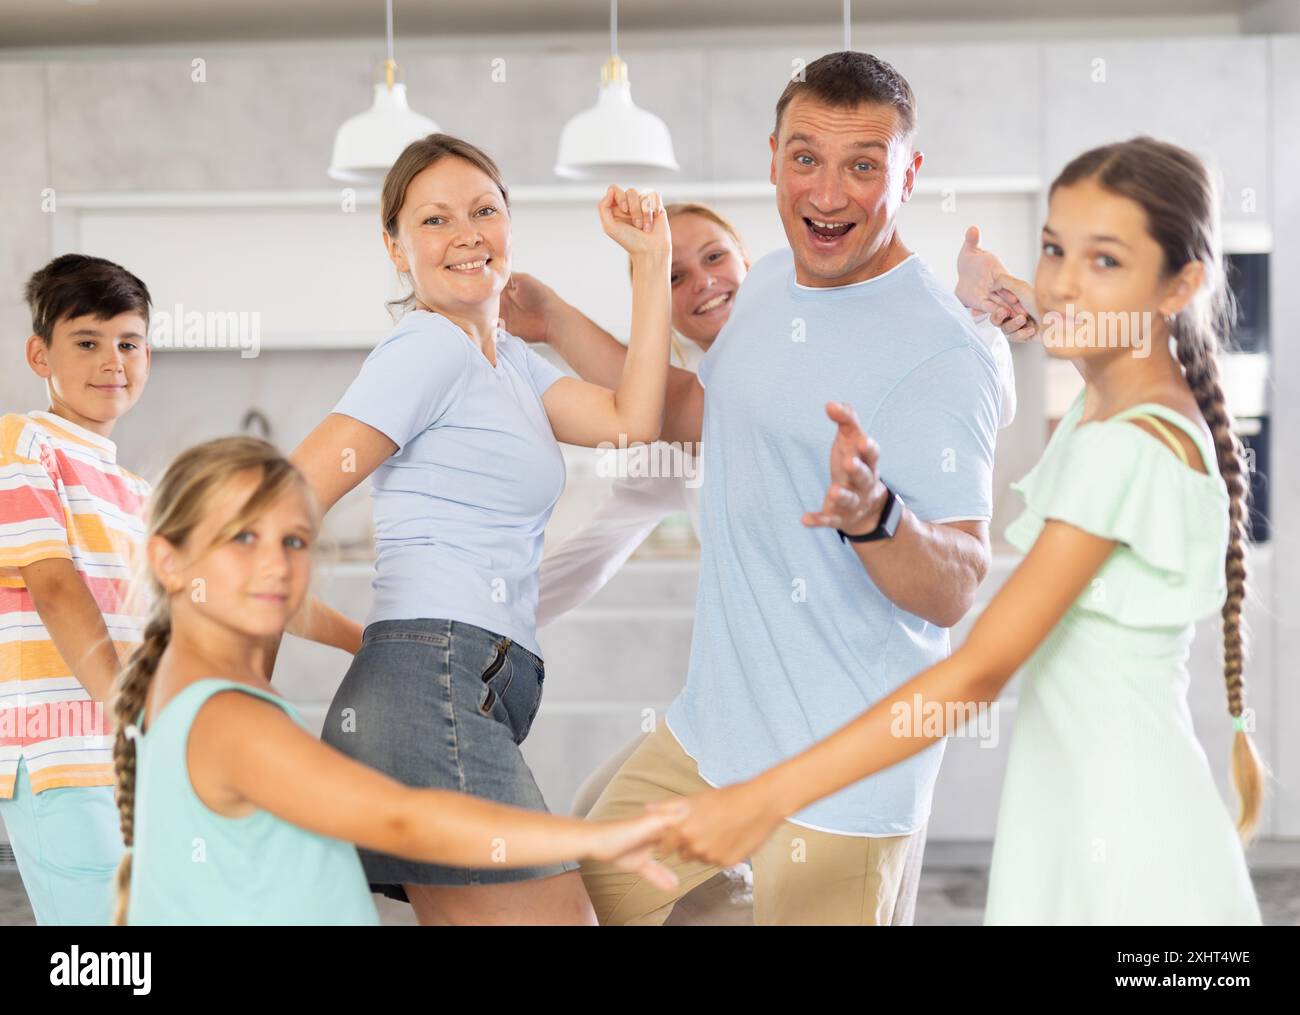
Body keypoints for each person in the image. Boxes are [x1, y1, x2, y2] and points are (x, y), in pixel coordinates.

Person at [665, 136, 1264, 926]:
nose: (1065, 282)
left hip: (1123, 837)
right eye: (1054, 249)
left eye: (1106, 260)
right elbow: (1079, 325)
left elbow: (979, 671)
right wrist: (991, 297)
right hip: (1090, 798)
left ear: (1181, 283)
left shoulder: (1125, 446)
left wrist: (768, 794)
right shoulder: (1134, 395)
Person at [575, 50, 1005, 925]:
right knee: (589, 890)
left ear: (909, 173)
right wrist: (550, 318)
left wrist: (875, 516)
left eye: (864, 165)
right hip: (709, 737)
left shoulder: (944, 351)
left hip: (842, 781)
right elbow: (697, 408)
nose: (830, 194)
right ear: (773, 157)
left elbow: (959, 580)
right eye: (807, 158)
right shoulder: (768, 282)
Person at [289, 133, 675, 925]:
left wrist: (648, 262)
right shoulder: (426, 348)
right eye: (434, 220)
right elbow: (290, 494)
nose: (466, 233)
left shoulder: (510, 366)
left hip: (456, 681)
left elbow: (635, 420)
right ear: (396, 248)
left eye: (484, 210)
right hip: (433, 682)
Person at [113, 436, 684, 925]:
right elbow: (404, 818)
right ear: (169, 560)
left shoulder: (176, 683)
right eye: (242, 538)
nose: (276, 565)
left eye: (293, 541)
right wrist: (591, 839)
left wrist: (366, 640)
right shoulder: (231, 718)